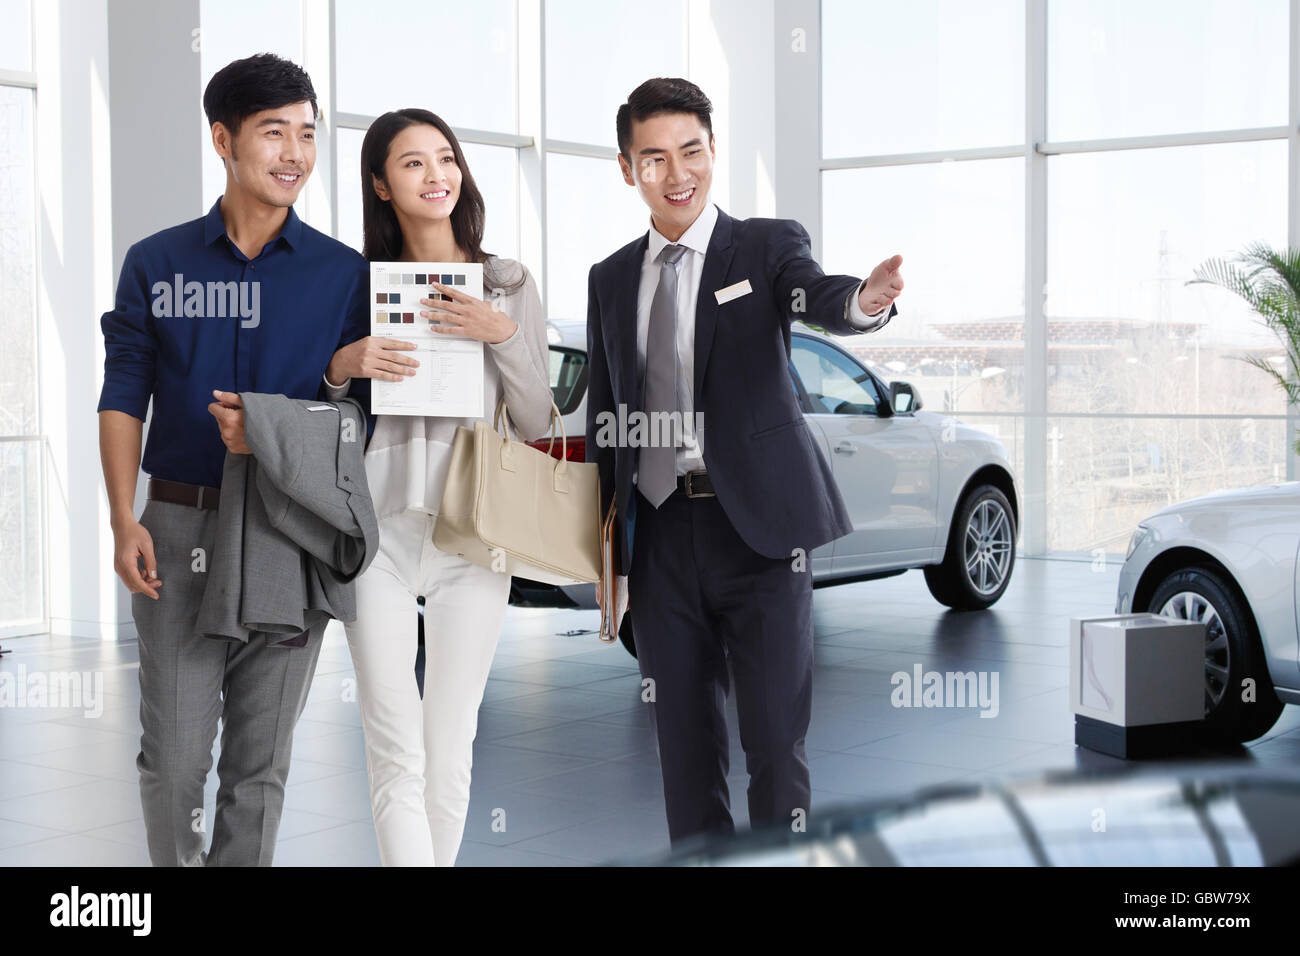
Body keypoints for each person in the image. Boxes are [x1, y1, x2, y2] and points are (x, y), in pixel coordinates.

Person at [586, 77, 904, 846]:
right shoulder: (610, 278)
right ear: (628, 168)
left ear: (713, 150)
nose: (677, 174)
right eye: (654, 158)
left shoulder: (762, 247)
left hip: (759, 533)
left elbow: (815, 294)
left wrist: (862, 302)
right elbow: (606, 421)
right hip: (660, 539)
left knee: (773, 743)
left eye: (691, 151)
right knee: (684, 751)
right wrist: (609, 555)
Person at [97, 53, 370, 866]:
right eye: (273, 132)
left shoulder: (342, 273)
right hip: (179, 528)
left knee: (261, 770)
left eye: (307, 135)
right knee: (175, 759)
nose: (294, 154)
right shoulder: (158, 262)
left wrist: (283, 427)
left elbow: (355, 418)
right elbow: (123, 395)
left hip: (290, 531)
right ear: (223, 139)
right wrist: (122, 519)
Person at [325, 109, 553, 866]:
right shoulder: (351, 288)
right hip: (376, 536)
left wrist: (503, 336)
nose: (437, 176)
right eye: (413, 163)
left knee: (449, 741)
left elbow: (538, 416)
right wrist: (342, 366)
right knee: (393, 744)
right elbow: (317, 418)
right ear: (380, 185)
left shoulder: (509, 283)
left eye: (446, 158)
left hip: (474, 535)